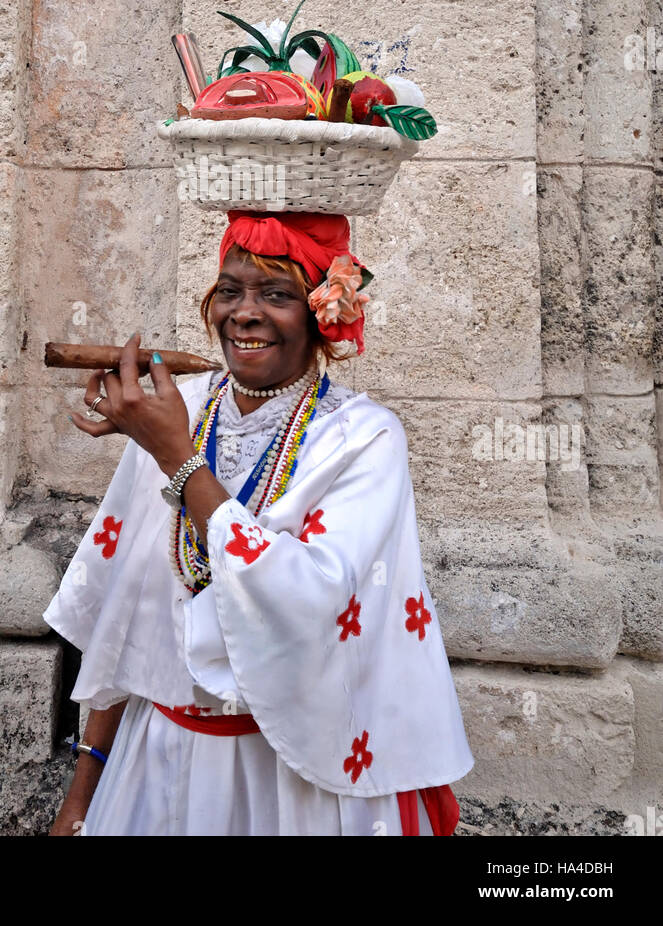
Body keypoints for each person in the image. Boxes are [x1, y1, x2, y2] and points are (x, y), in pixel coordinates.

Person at [44, 211, 473, 836]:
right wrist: (82, 796)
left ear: (323, 315)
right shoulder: (174, 411)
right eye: (229, 290)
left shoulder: (363, 437)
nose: (244, 314)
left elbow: (307, 596)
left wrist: (176, 457)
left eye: (276, 295)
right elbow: (126, 618)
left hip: (294, 779)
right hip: (157, 760)